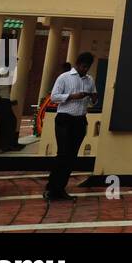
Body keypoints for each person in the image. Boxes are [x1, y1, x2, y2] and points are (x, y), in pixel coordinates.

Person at [44, 52, 97, 202]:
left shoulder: (89, 80)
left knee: (72, 156)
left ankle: (61, 187)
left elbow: (93, 101)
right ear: (78, 64)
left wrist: (93, 97)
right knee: (63, 154)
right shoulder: (64, 77)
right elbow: (54, 97)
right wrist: (72, 96)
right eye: (83, 66)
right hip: (65, 119)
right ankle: (52, 187)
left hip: (80, 120)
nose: (85, 70)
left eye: (88, 67)